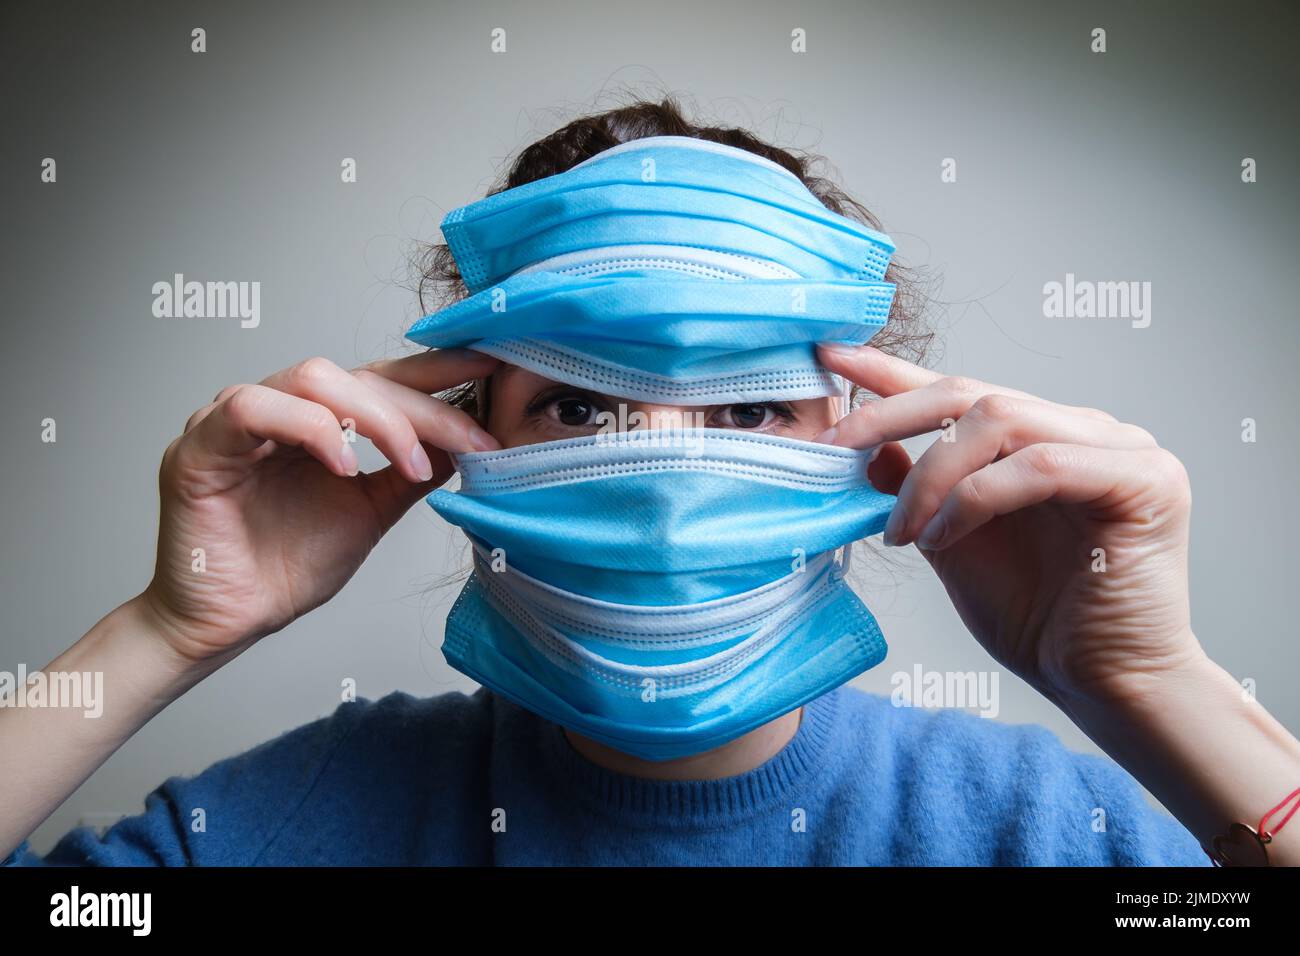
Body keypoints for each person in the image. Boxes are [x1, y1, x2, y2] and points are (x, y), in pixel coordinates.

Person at [4, 99, 1297, 867]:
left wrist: (1149, 684)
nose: (671, 477)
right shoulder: (280, 832)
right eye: (580, 401)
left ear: (869, 436)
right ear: (461, 432)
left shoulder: (1039, 833)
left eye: (745, 408)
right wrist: (164, 632)